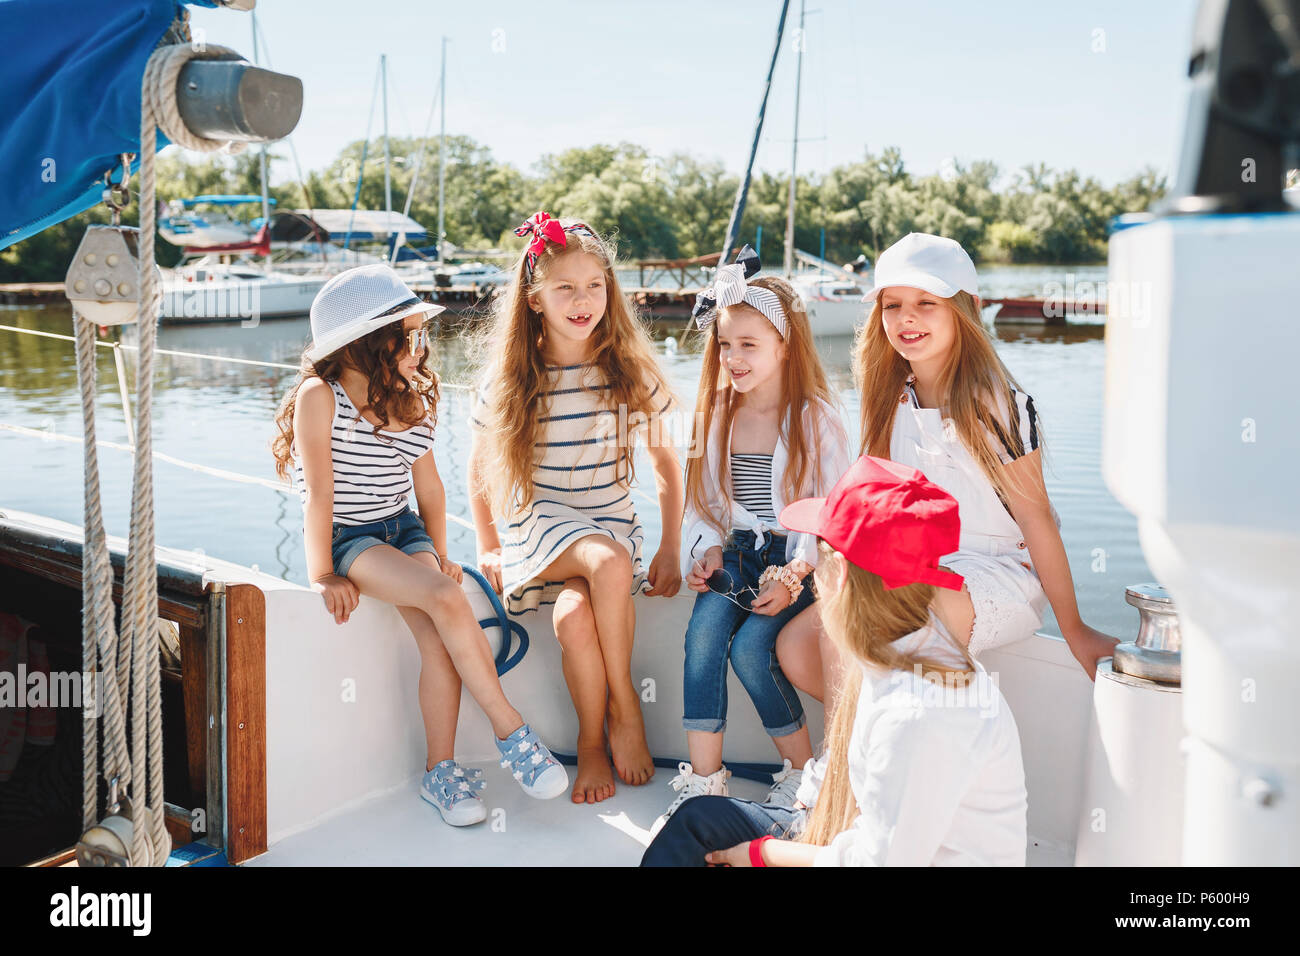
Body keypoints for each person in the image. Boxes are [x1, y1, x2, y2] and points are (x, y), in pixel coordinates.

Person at [272, 263, 567, 827]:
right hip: (349, 539)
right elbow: (319, 497)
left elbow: (429, 489)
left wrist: (437, 552)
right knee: (447, 601)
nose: (419, 346)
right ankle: (513, 732)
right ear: (366, 343)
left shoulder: (409, 397)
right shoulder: (321, 396)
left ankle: (441, 774)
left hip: (402, 528)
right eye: (407, 336)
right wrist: (322, 574)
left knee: (437, 639)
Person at [777, 233, 1117, 711]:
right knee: (796, 646)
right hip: (920, 563)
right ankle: (850, 763)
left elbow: (1036, 517)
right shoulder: (889, 395)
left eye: (926, 302)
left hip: (998, 571)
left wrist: (1074, 629)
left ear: (966, 308)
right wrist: (829, 564)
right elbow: (873, 503)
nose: (905, 317)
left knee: (890, 626)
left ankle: (851, 769)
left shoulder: (998, 404)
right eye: (892, 305)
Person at [641, 455, 1028, 866]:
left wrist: (761, 854)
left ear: (838, 574)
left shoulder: (916, 714)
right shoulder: (903, 649)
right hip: (844, 839)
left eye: (820, 561)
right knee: (697, 823)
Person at [467, 212, 683, 804]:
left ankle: (591, 743)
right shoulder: (512, 377)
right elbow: (480, 470)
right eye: (565, 288)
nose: (582, 299)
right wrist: (486, 542)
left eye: (594, 285)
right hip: (538, 528)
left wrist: (668, 546)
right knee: (609, 565)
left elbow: (667, 465)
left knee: (573, 619)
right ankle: (627, 712)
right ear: (535, 298)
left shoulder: (628, 372)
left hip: (610, 524)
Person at [655, 246, 851, 830]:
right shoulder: (715, 415)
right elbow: (704, 507)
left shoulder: (816, 419)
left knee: (750, 651)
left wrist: (794, 578)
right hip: (737, 552)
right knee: (703, 641)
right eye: (724, 344)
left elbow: (830, 516)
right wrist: (704, 549)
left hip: (796, 561)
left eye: (749, 345)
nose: (733, 358)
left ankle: (800, 769)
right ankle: (702, 783)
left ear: (785, 347)